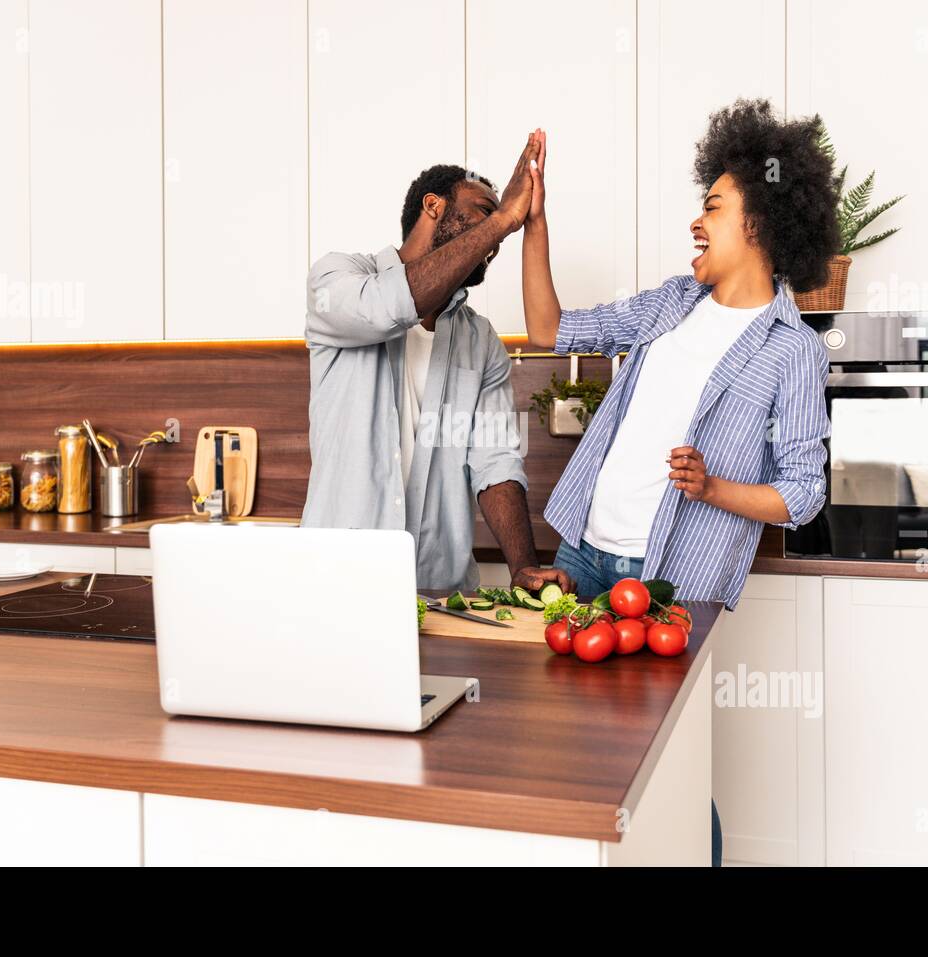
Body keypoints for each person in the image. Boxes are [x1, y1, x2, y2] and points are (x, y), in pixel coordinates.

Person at [521, 100, 839, 866]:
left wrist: (712, 486)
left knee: (664, 772)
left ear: (757, 224)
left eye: (712, 207)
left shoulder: (793, 350)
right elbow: (547, 330)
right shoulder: (673, 302)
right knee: (579, 762)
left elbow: (802, 493)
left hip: (667, 581)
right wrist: (533, 221)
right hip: (589, 555)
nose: (695, 222)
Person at [302, 138, 574, 596]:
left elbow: (495, 461)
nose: (499, 234)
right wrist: (507, 217)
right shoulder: (338, 278)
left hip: (440, 590)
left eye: (501, 219)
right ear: (434, 206)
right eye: (484, 211)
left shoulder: (480, 339)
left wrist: (523, 566)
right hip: (338, 582)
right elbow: (390, 305)